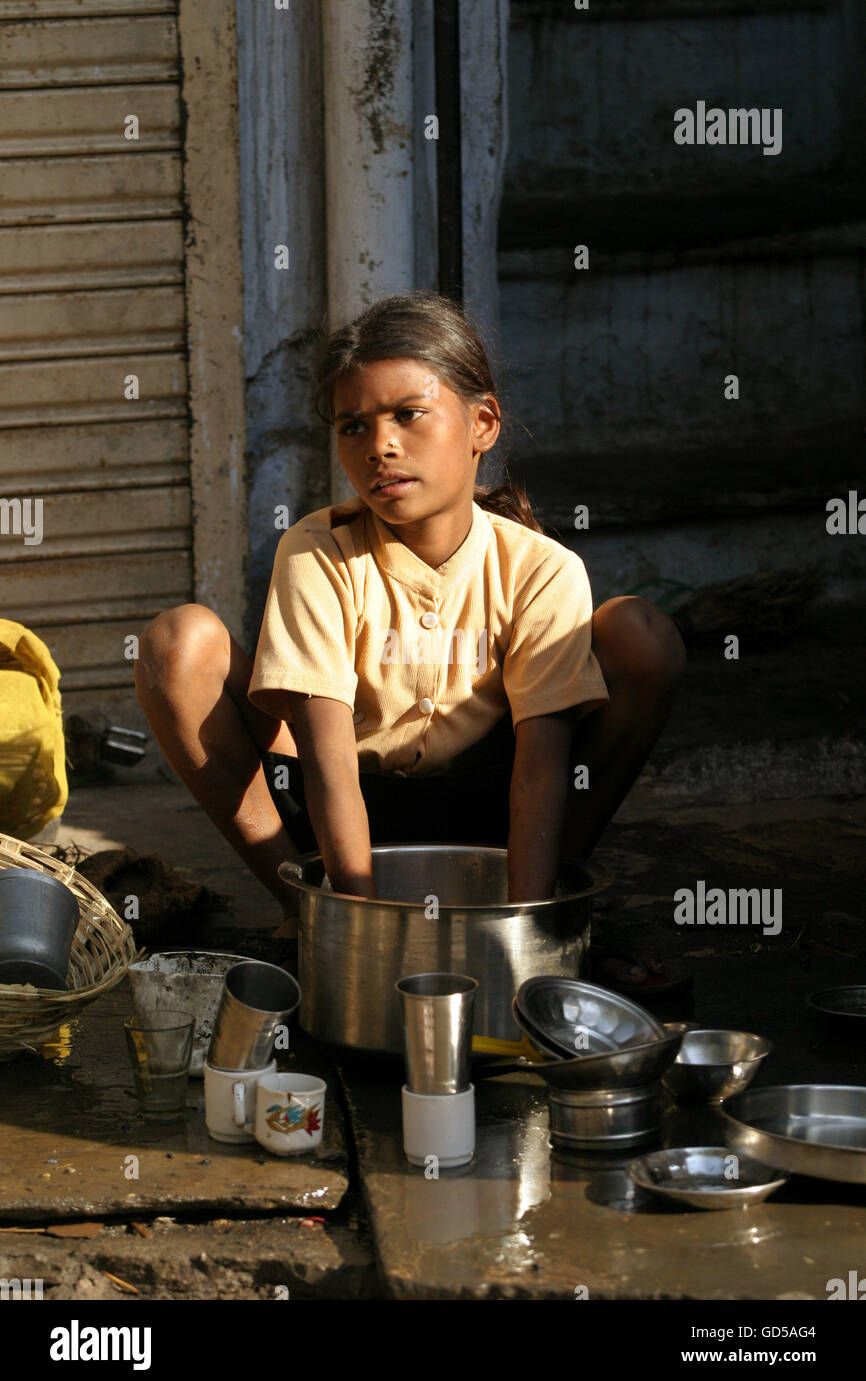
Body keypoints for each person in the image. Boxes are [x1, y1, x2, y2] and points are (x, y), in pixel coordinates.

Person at [134, 292, 686, 994]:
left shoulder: (541, 570)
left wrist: (522, 944)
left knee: (641, 634)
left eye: (408, 415)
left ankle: (548, 907)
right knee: (177, 644)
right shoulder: (315, 553)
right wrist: (357, 938)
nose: (380, 446)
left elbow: (542, 772)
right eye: (353, 426)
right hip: (344, 800)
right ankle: (302, 909)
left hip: (491, 806)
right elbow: (329, 769)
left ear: (482, 423)